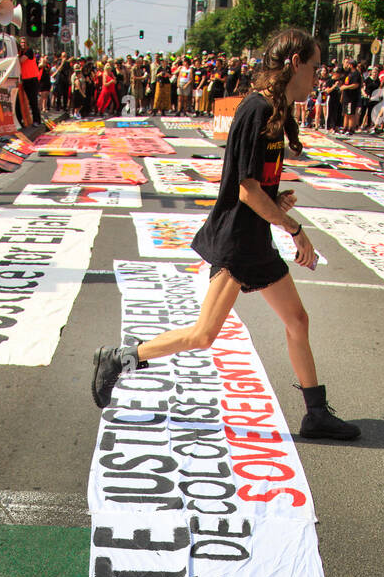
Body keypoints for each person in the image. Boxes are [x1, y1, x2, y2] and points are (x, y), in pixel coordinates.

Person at [92, 27, 360, 442]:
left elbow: (256, 185)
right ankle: (120, 358)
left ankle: (316, 413)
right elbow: (245, 189)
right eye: (314, 66)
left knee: (297, 320)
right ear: (294, 63)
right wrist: (295, 230)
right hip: (238, 241)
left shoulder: (274, 109)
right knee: (203, 335)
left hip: (255, 238)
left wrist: (278, 202)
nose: (318, 76)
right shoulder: (256, 110)